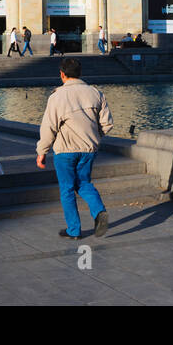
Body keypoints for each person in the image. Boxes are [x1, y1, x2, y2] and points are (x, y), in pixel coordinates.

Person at [36, 58, 113, 239]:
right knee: (84, 183)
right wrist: (94, 137)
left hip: (65, 150)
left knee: (67, 189)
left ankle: (74, 230)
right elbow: (107, 124)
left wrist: (42, 152)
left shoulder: (57, 96)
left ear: (62, 74)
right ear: (80, 74)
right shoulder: (95, 93)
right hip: (89, 149)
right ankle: (99, 211)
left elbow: (49, 127)